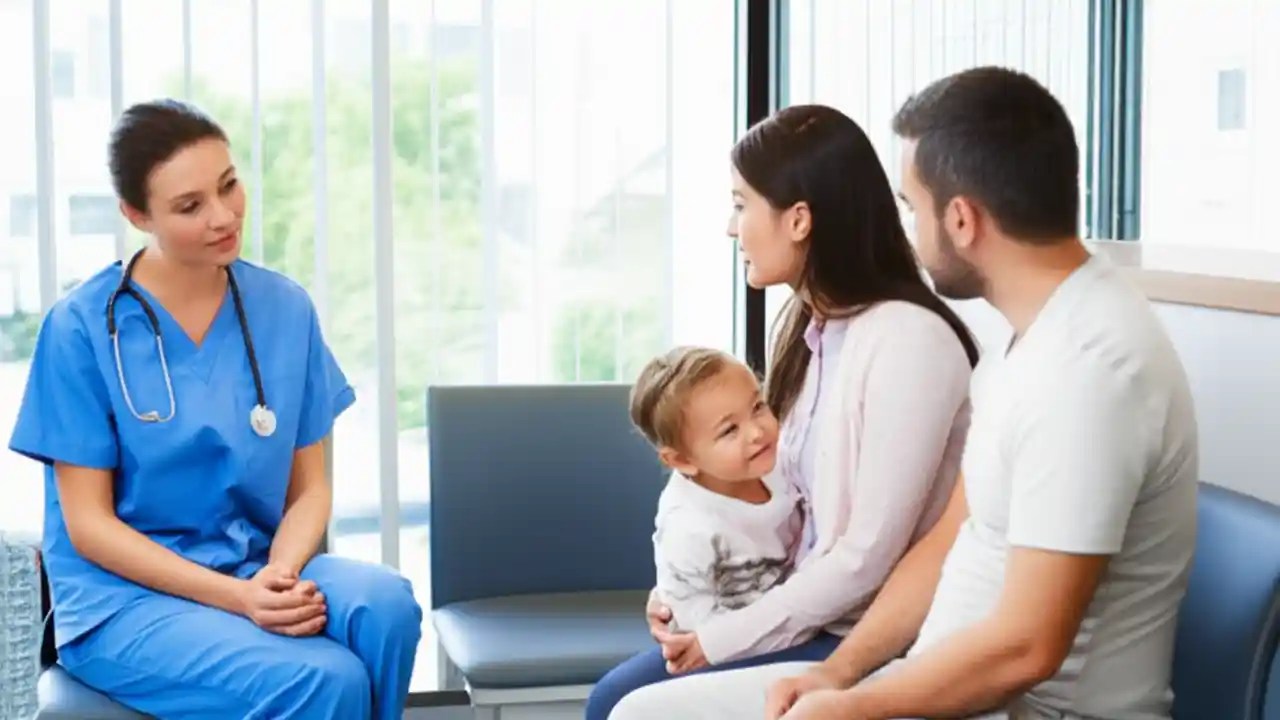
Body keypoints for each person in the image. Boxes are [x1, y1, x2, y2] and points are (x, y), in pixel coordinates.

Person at [609, 67, 1199, 720]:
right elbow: (947, 541)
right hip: (939, 680)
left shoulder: (1088, 371)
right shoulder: (1033, 342)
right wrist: (838, 675)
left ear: (961, 219)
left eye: (913, 208)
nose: (909, 233)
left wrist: (854, 706)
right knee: (637, 711)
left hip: (1031, 709)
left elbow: (1027, 650)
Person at [8, 99, 422, 719]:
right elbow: (89, 527)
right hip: (123, 602)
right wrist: (240, 599)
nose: (223, 216)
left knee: (387, 607)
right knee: (326, 679)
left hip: (255, 565)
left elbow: (310, 488)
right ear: (136, 215)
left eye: (228, 185)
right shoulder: (82, 328)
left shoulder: (284, 309)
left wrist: (277, 575)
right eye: (189, 206)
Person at [587, 104, 980, 719]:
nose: (732, 228)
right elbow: (781, 508)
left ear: (798, 219)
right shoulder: (806, 327)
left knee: (619, 703)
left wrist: (719, 638)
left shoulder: (909, 341)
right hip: (812, 614)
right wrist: (685, 593)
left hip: (866, 635)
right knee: (614, 696)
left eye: (741, 205)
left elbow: (865, 557)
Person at [630, 347, 803, 652]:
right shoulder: (687, 525)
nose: (757, 432)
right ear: (682, 461)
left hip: (799, 621)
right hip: (734, 646)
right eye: (730, 430)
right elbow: (693, 620)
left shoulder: (782, 460)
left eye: (758, 407)